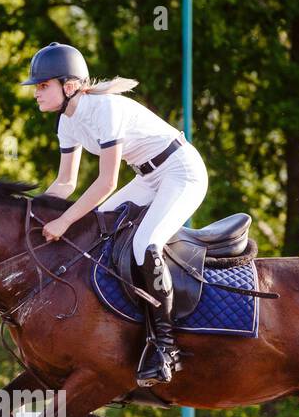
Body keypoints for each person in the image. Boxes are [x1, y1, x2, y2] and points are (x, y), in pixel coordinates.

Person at [23, 42, 209, 386]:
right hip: (149, 177)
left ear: (68, 86)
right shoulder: (67, 122)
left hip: (181, 171)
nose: (36, 93)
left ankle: (165, 347)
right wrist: (28, 215)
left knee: (144, 245)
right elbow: (64, 183)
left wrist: (64, 220)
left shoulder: (104, 109)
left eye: (42, 85)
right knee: (95, 231)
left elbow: (107, 182)